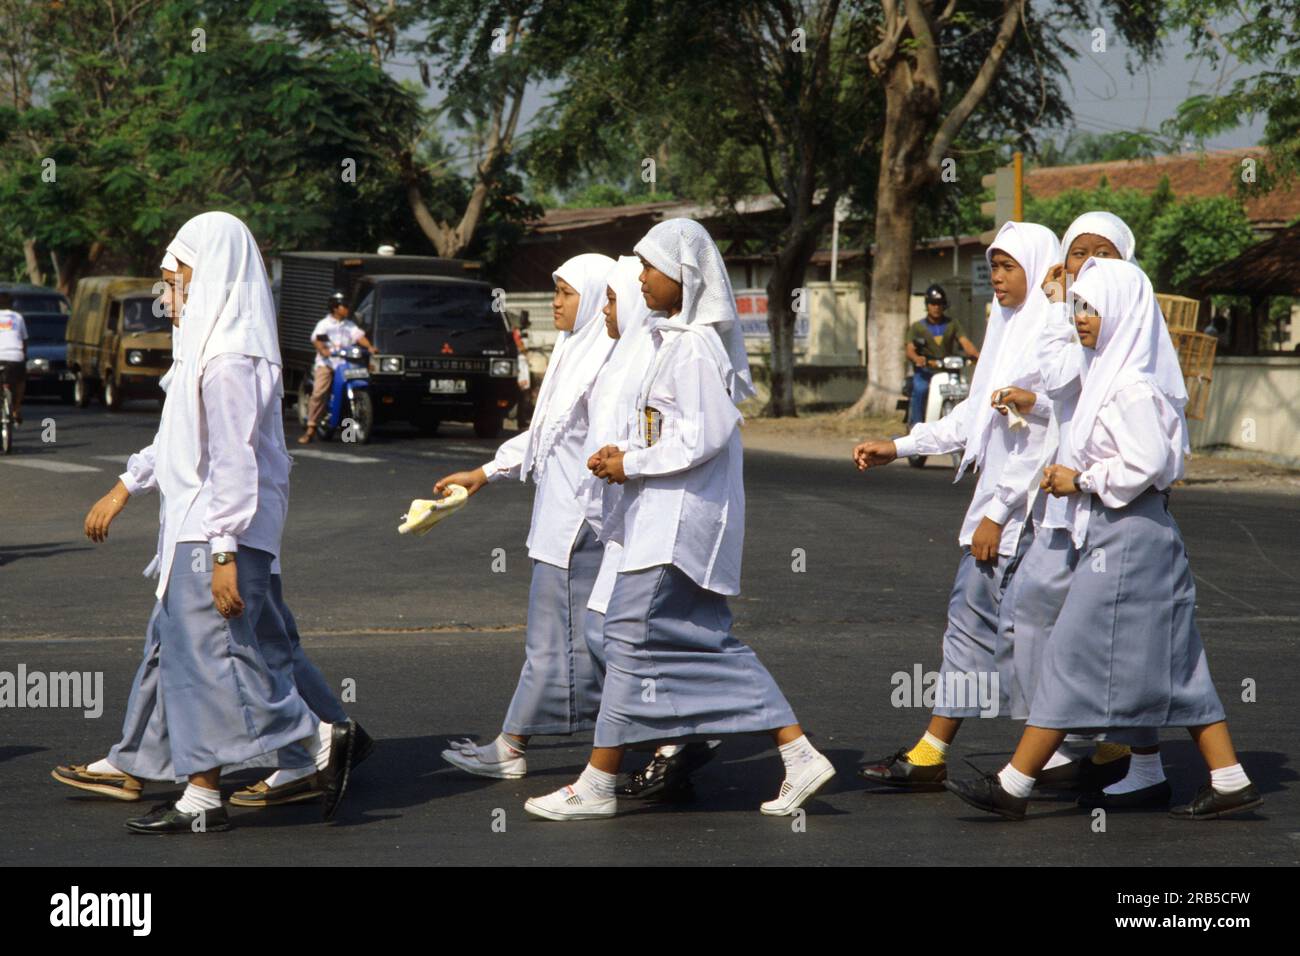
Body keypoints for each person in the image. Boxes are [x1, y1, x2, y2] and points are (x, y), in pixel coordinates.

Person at [523, 219, 834, 822]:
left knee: (628, 638)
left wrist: (631, 461)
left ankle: (599, 781)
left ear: (684, 277)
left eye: (650, 268)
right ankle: (794, 751)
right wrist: (624, 457)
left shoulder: (691, 346)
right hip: (659, 521)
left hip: (674, 524)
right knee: (695, 645)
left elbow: (703, 435)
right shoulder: (672, 342)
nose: (640, 278)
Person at [58, 212, 358, 833]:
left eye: (180, 275)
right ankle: (204, 792)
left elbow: (232, 459)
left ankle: (317, 741)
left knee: (219, 662)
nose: (171, 290)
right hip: (197, 527)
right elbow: (178, 442)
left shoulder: (229, 357)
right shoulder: (208, 345)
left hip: (216, 530)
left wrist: (223, 551)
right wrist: (124, 487)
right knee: (201, 662)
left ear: (214, 270)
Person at [945, 257, 1261, 822]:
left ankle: (1014, 784)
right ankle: (1228, 776)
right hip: (1129, 534)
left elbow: (1148, 462)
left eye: (1092, 308)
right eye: (1077, 307)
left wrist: (1080, 479)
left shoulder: (1132, 389)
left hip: (1128, 536)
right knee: (1170, 660)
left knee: (1068, 654)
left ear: (1121, 312)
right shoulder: (1109, 378)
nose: (1082, 318)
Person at [854, 221, 1060, 791]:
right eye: (992, 266)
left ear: (1039, 266)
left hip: (1028, 520)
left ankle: (1098, 752)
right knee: (976, 630)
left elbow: (1043, 438)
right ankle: (936, 750)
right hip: (999, 514)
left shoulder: (1052, 335)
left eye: (1007, 266)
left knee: (1033, 639)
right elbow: (975, 416)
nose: (996, 277)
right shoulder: (1007, 327)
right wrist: (900, 445)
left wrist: (998, 510)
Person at [993, 210, 1167, 807]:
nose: (1087, 265)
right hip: (1067, 507)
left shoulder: (1122, 339)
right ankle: (1094, 749)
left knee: (1091, 637)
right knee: (1035, 619)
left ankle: (1052, 759)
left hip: (1104, 507)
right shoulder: (1084, 327)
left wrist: (1059, 311)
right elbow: (1057, 387)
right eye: (1076, 254)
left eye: (1103, 254)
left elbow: (1065, 378)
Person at [434, 254, 617, 779]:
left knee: (562, 643)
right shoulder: (574, 351)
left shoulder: (606, 360)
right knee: (575, 642)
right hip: (559, 521)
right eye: (554, 291)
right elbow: (544, 438)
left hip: (580, 522)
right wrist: (485, 472)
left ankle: (512, 746)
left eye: (565, 293)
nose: (555, 303)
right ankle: (663, 736)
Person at [582, 255, 718, 800]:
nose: (610, 306)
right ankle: (674, 742)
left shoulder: (675, 350)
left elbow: (691, 437)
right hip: (626, 514)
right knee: (616, 635)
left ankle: (664, 746)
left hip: (652, 515)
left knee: (628, 637)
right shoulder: (625, 355)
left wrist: (627, 461)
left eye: (613, 298)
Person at [298, 291, 373, 444]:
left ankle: (349, 433)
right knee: (319, 392)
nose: (346, 309)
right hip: (327, 364)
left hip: (345, 364)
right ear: (335, 308)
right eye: (343, 306)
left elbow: (359, 337)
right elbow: (317, 339)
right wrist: (323, 350)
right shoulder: (324, 324)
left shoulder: (349, 325)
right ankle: (311, 427)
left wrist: (370, 347)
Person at [905, 283, 979, 425]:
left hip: (949, 369)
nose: (936, 307)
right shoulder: (918, 327)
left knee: (967, 390)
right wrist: (917, 358)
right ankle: (917, 427)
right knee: (921, 389)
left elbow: (966, 343)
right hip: (926, 370)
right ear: (927, 305)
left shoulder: (953, 324)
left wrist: (978, 356)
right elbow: (909, 348)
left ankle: (969, 426)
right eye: (933, 304)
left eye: (939, 304)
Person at [0, 292, 28, 424]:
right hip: (15, 357)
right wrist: (23, 357)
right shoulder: (18, 317)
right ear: (11, 305)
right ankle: (16, 408)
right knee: (20, 380)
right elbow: (24, 342)